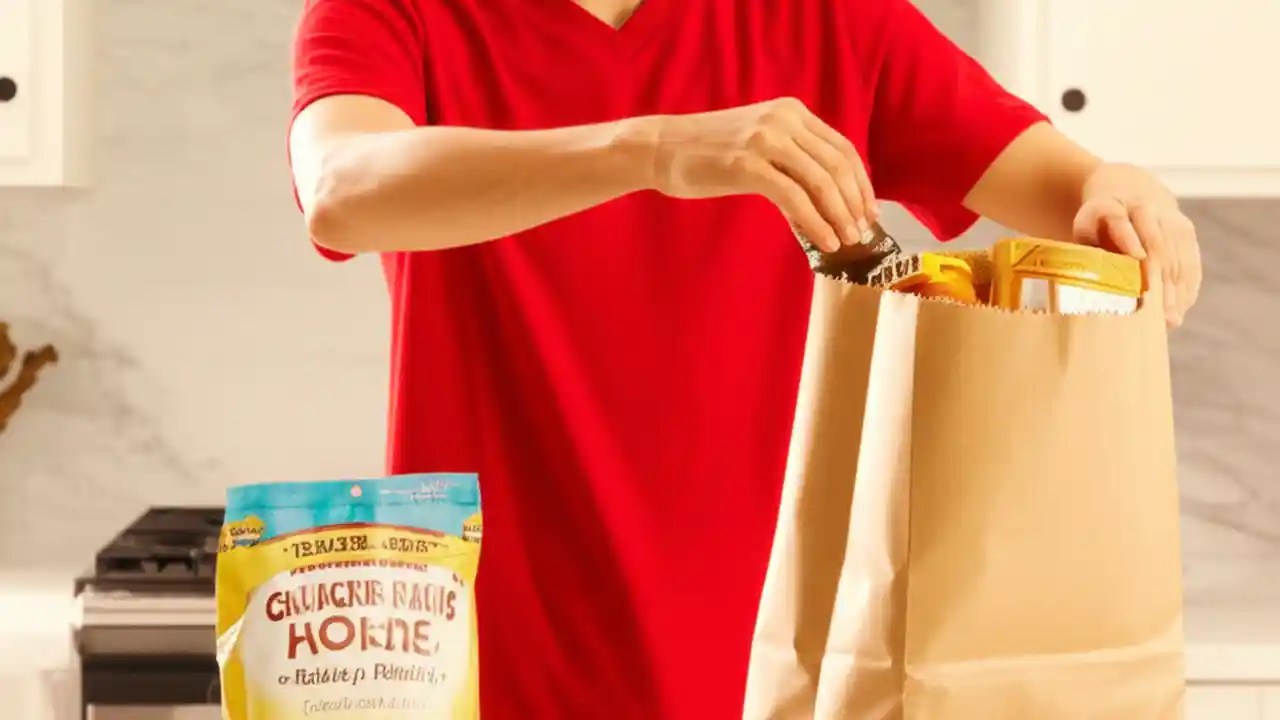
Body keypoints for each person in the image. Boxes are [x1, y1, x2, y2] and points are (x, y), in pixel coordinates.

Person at [287, 0, 1202, 716]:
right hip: (503, 662)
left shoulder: (829, 19)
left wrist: (1124, 186)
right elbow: (340, 187)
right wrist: (654, 144)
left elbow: (1069, 187)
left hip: (802, 664)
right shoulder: (391, 11)